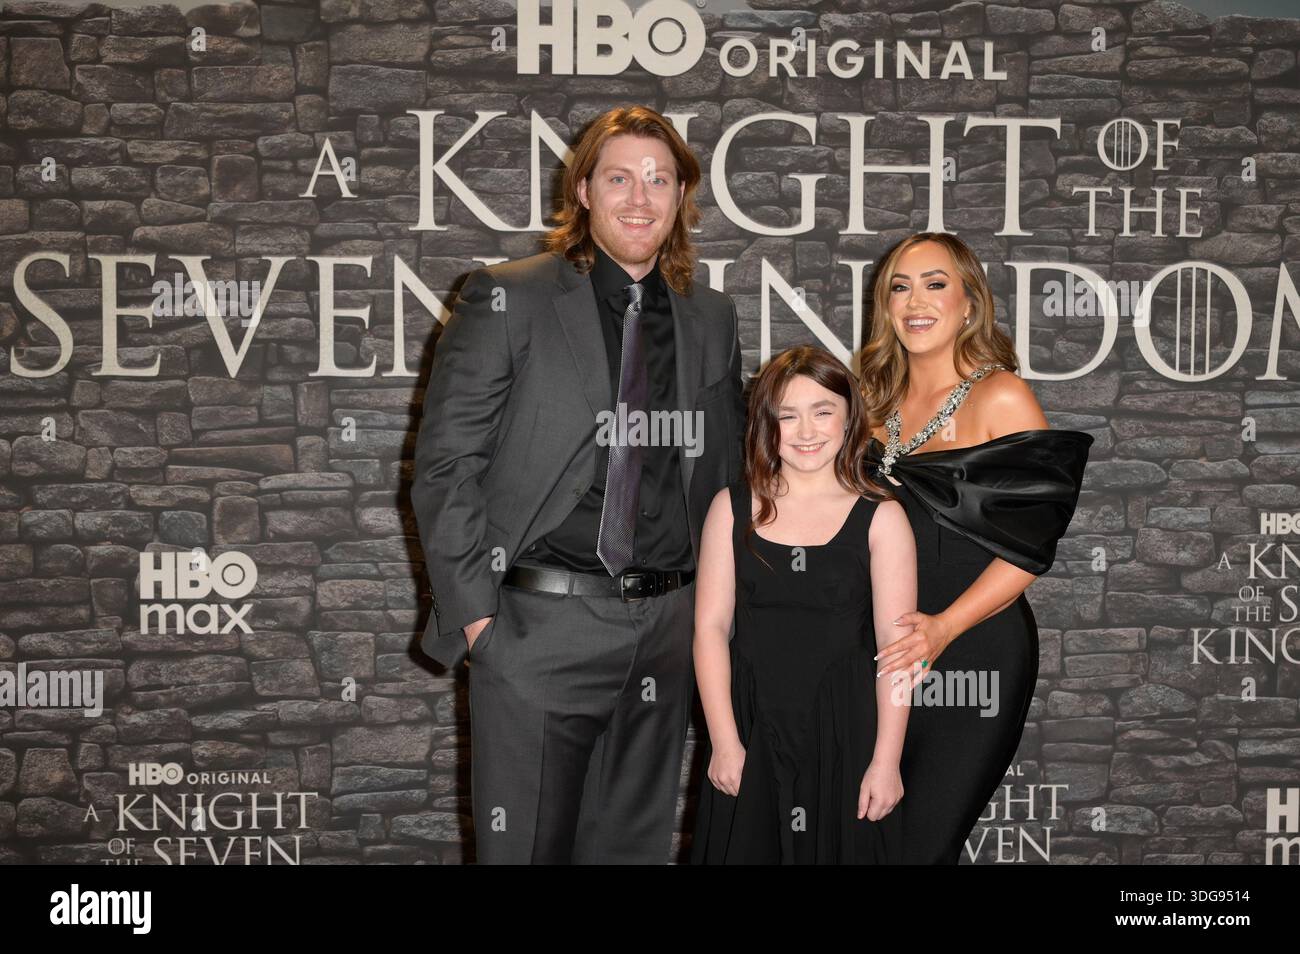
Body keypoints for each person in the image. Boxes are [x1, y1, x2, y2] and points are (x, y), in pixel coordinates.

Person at [411, 106, 745, 863]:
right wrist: (478, 623)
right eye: (620, 177)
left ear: (681, 197)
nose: (640, 198)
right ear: (585, 190)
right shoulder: (507, 296)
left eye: (660, 180)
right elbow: (445, 466)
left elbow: (724, 478)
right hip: (537, 627)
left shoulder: (711, 317)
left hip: (665, 631)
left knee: (628, 854)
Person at [859, 232, 1092, 864]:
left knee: (920, 847)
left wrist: (942, 629)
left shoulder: (1001, 397)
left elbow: (1030, 550)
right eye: (900, 287)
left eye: (936, 284)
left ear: (969, 303)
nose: (916, 301)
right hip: (874, 655)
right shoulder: (867, 403)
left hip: (971, 652)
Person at [691, 345, 915, 864]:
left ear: (849, 418)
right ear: (765, 426)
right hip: (750, 727)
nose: (806, 431)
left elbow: (898, 650)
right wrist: (723, 740)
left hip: (847, 735)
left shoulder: (883, 517)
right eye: (786, 416)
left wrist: (887, 760)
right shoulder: (731, 507)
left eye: (822, 411)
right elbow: (709, 628)